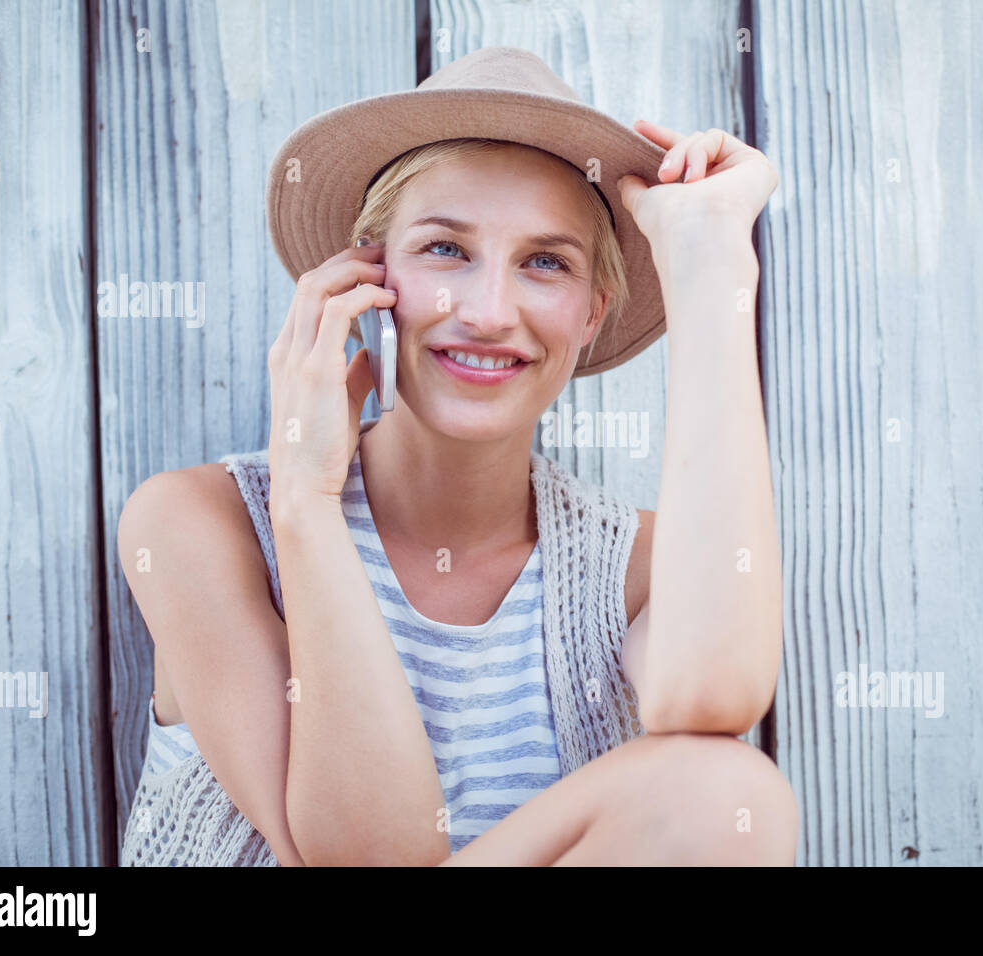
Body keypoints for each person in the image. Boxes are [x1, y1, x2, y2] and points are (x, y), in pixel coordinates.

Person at [117, 46, 794, 866]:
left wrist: (712, 263)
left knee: (727, 796)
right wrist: (305, 499)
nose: (488, 310)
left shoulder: (627, 567)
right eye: (445, 250)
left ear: (591, 316)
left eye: (545, 263)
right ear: (366, 274)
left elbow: (717, 694)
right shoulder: (202, 523)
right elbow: (373, 855)